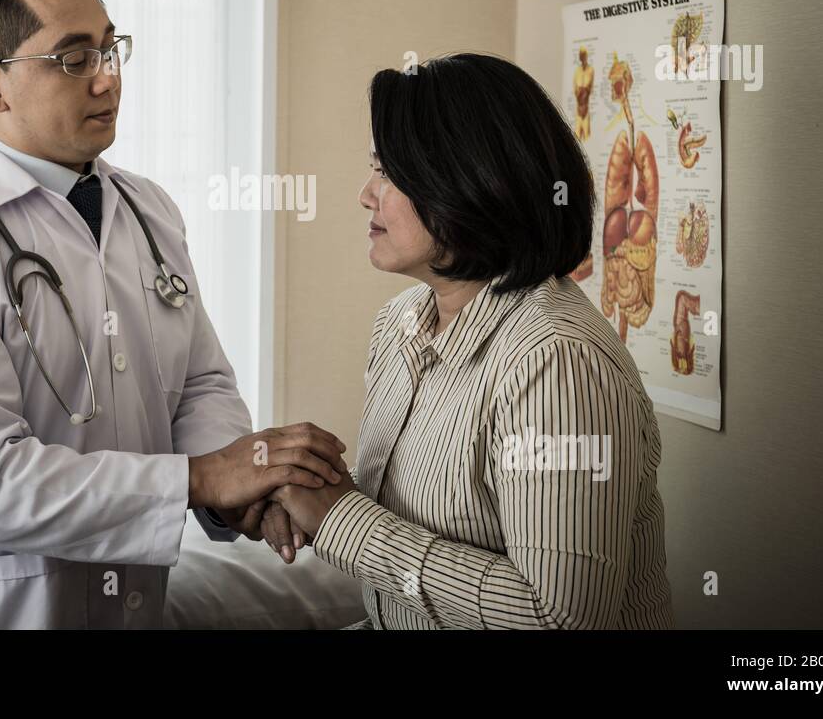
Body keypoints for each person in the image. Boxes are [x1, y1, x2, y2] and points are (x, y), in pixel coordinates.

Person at [0, 0, 347, 629]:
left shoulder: (149, 211)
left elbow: (199, 383)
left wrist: (242, 489)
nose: (108, 79)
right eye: (74, 59)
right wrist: (199, 479)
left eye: (112, 51)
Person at [260, 53, 675, 629]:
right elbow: (417, 537)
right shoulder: (401, 322)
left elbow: (558, 618)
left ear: (470, 183)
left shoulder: (554, 362)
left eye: (387, 172)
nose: (364, 194)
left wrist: (342, 521)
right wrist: (307, 490)